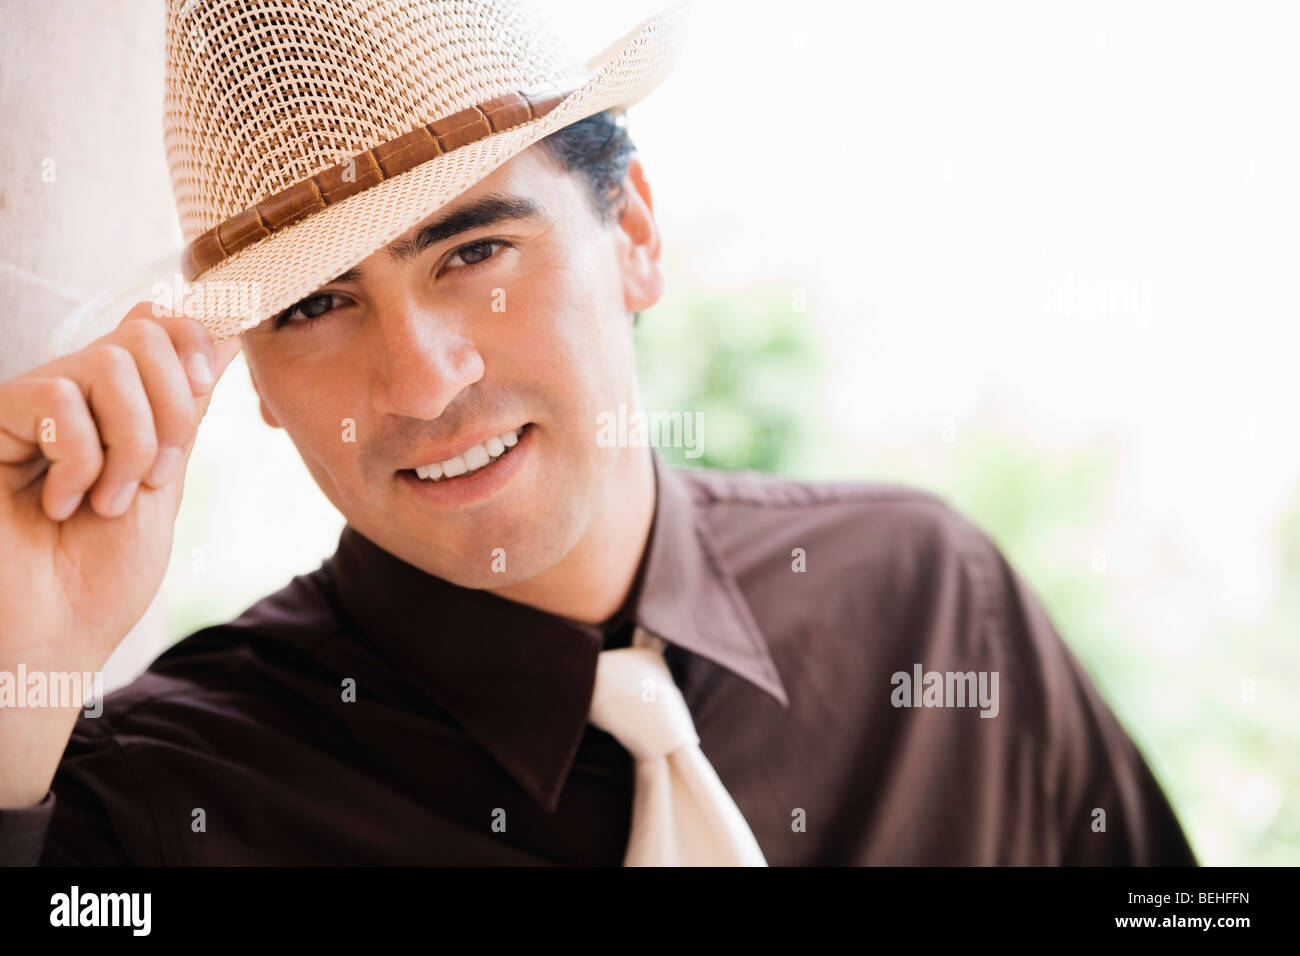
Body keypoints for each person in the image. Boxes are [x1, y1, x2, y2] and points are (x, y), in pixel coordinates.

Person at [0, 0, 1197, 865]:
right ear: (254, 376)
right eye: (315, 304)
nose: (420, 380)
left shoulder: (931, 600)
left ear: (633, 231)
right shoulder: (167, 800)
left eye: (475, 251)